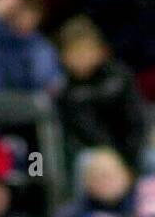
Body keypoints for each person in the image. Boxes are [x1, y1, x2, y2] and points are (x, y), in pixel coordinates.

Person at [55, 15, 147, 170]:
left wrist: (131, 153)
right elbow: (83, 134)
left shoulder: (121, 77)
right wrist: (113, 156)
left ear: (100, 51)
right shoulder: (64, 91)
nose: (81, 57)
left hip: (132, 147)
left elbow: (138, 117)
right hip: (90, 151)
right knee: (90, 164)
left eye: (86, 50)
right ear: (63, 56)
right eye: (75, 52)